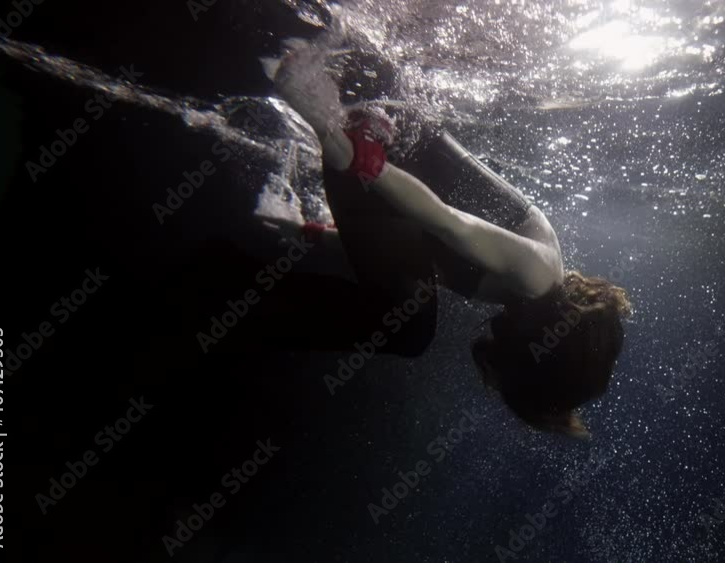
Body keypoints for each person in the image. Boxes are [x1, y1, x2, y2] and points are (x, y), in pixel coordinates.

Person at [269, 43, 632, 438]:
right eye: (515, 375)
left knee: (408, 328)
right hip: (382, 130)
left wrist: (313, 236)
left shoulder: (511, 293)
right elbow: (448, 222)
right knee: (409, 330)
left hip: (378, 153)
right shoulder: (538, 274)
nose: (497, 374)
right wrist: (353, 156)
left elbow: (408, 255)